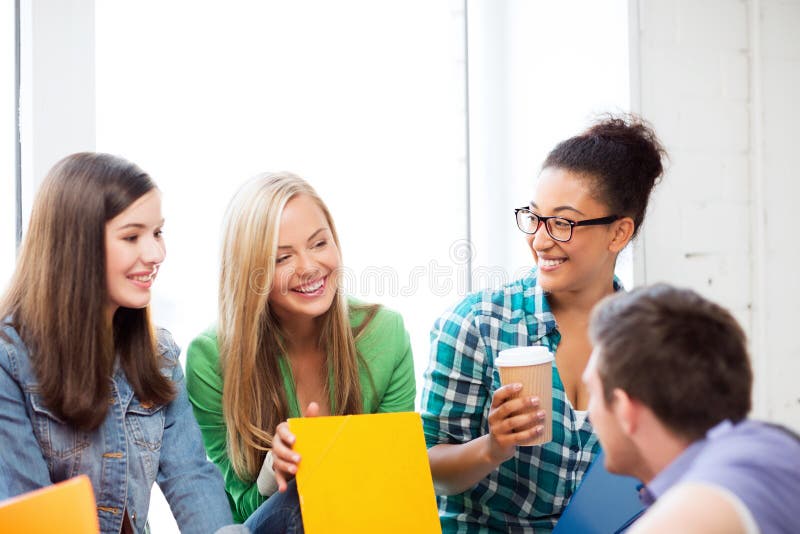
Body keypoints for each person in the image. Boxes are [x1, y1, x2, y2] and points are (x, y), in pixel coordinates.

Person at [420, 114, 667, 532]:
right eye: (534, 218)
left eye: (563, 223)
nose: (540, 239)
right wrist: (491, 448)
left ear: (619, 233)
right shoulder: (478, 325)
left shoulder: (651, 345)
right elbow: (427, 469)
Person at [0, 153, 234, 534]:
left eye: (157, 233)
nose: (156, 254)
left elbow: (191, 477)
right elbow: (35, 520)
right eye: (132, 236)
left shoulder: (159, 355)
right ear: (77, 245)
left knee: (296, 503)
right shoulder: (9, 361)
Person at [186, 172, 416, 533]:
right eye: (282, 258)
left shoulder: (384, 335)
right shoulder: (212, 357)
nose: (309, 267)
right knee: (300, 497)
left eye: (319, 243)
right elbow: (233, 517)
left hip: (363, 523)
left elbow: (397, 484)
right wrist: (272, 474)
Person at [583, 283, 800, 534]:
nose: (591, 413)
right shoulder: (769, 444)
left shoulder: (708, 502)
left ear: (623, 408)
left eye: (593, 393)